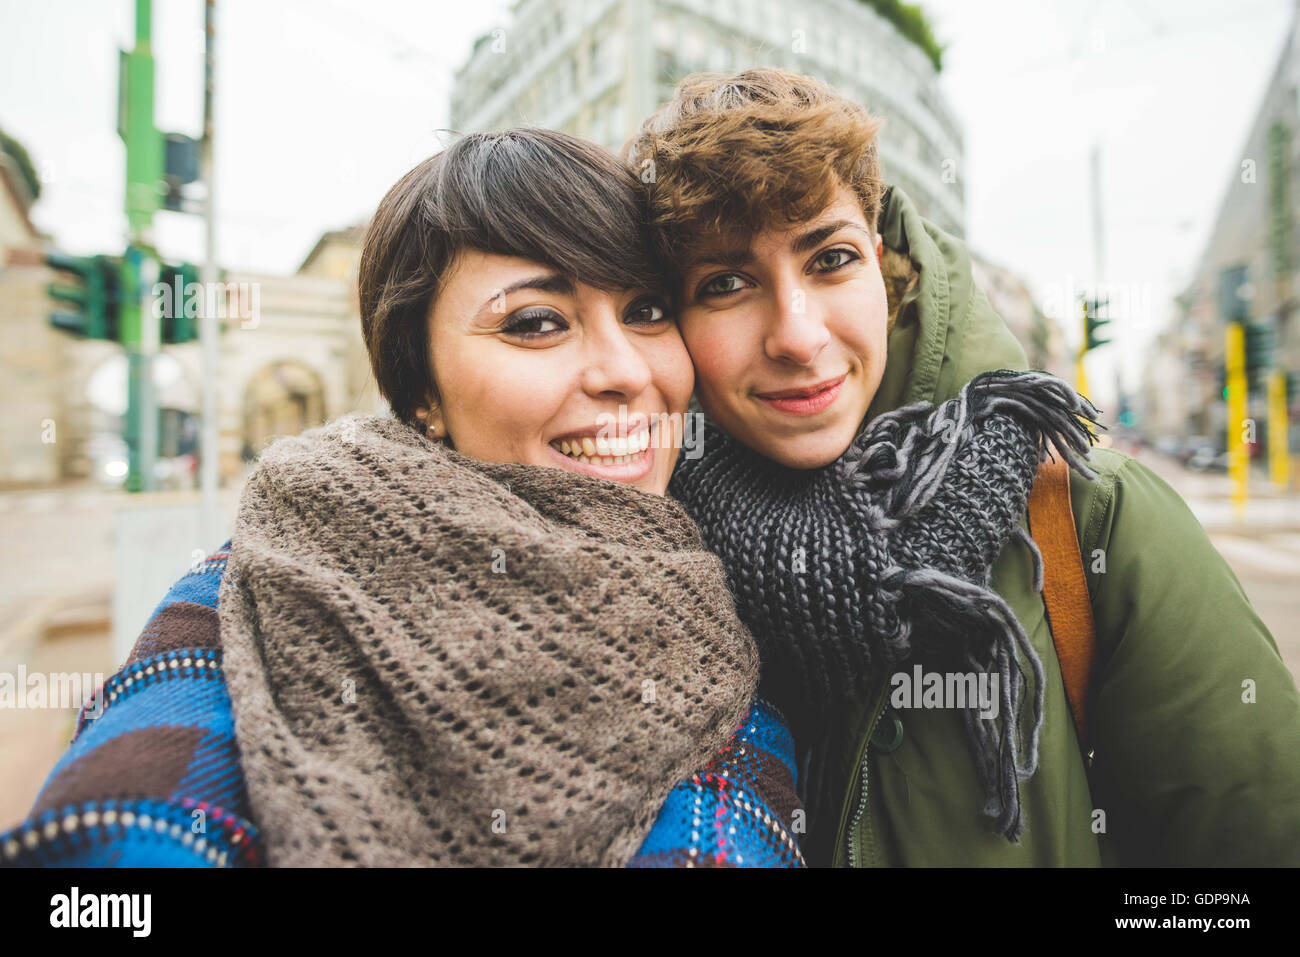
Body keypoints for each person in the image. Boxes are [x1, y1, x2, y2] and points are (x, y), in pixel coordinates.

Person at [0, 129, 803, 869]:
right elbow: (126, 837)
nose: (626, 370)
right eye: (535, 322)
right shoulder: (263, 586)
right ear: (421, 389)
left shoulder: (730, 600)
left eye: (647, 310)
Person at [626, 67, 1300, 867]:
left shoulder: (1095, 523)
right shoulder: (653, 556)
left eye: (830, 259)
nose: (797, 336)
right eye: (727, 283)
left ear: (882, 265)